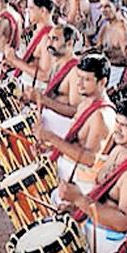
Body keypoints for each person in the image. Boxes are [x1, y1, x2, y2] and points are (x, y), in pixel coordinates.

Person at [58, 96, 127, 253]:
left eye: (126, 126)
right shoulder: (122, 147)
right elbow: (101, 192)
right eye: (117, 122)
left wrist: (80, 200)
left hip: (113, 250)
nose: (117, 129)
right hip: (95, 234)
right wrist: (77, 208)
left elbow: (125, 221)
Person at [37, 54, 116, 196]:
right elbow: (77, 143)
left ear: (102, 82)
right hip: (66, 173)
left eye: (86, 79)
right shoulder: (86, 102)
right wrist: (50, 145)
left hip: (80, 186)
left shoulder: (101, 116)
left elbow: (90, 159)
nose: (79, 83)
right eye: (79, 77)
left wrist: (52, 138)